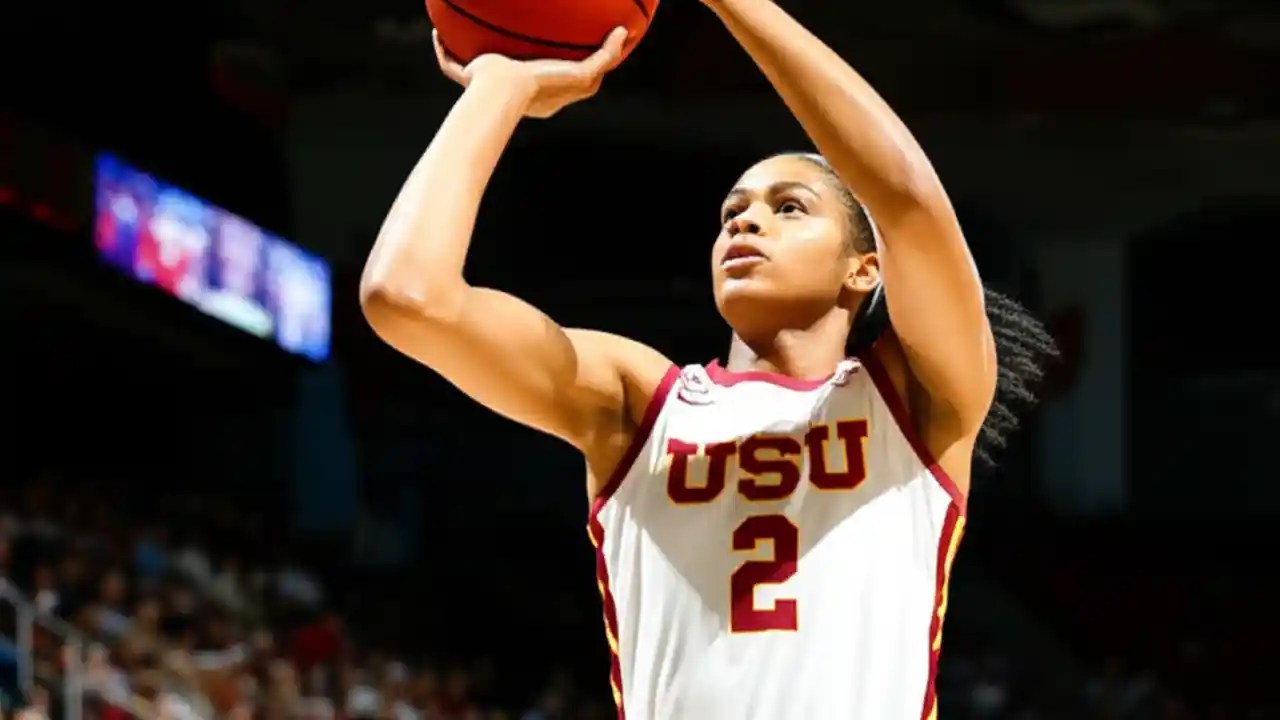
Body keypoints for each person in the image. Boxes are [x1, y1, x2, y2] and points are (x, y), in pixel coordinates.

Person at [359, 0, 1056, 717]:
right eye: (733, 212)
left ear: (863, 270)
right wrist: (500, 87)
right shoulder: (639, 403)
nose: (748, 219)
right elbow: (405, 296)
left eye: (791, 208)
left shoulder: (916, 400)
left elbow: (907, 196)